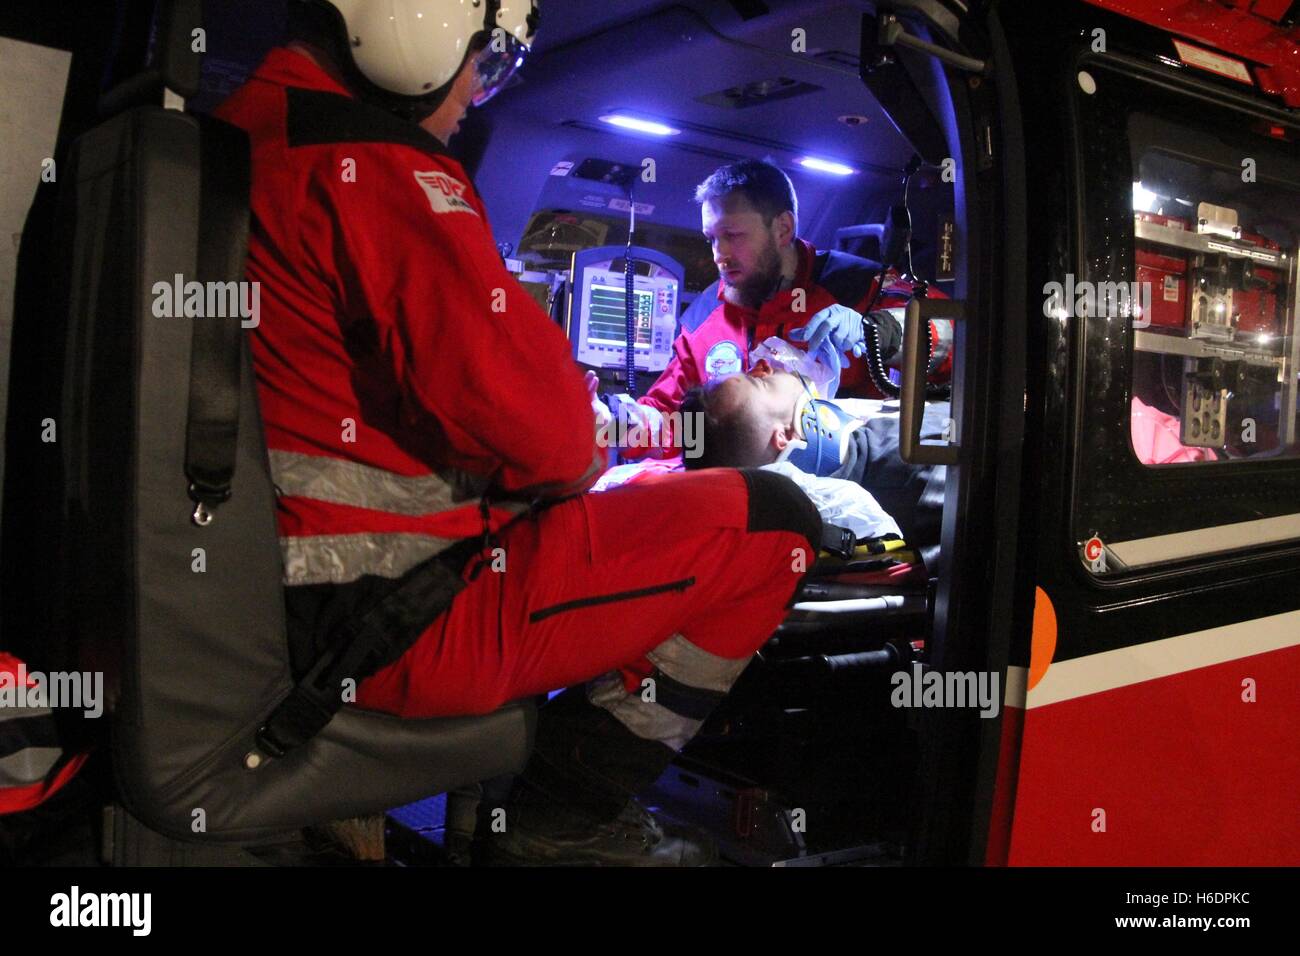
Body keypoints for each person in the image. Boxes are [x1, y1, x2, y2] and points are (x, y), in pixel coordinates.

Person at [213, 0, 823, 866]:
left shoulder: (245, 136)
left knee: (648, 494)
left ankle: (498, 805)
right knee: (779, 524)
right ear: (415, 32)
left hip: (287, 597)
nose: (473, 92)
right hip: (400, 613)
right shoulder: (375, 166)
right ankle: (562, 812)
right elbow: (556, 447)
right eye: (482, 59)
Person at [602, 158, 942, 456]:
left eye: (733, 235)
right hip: (743, 499)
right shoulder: (702, 320)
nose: (718, 254)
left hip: (849, 481)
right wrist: (611, 426)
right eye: (711, 239)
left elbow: (955, 331)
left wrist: (880, 333)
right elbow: (682, 428)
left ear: (783, 229)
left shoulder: (856, 285)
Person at [681, 364, 949, 570]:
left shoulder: (867, 449)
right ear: (787, 436)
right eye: (759, 382)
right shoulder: (917, 473)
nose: (764, 366)